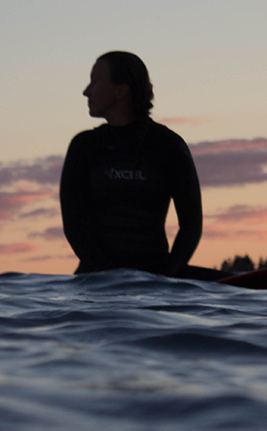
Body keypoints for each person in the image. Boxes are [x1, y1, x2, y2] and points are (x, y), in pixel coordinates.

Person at [60, 51, 206, 277]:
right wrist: (109, 277)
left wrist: (167, 278)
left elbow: (191, 224)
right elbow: (74, 226)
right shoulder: (84, 147)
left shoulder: (168, 145)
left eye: (95, 81)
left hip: (155, 281)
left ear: (121, 91)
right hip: (96, 286)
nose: (86, 91)